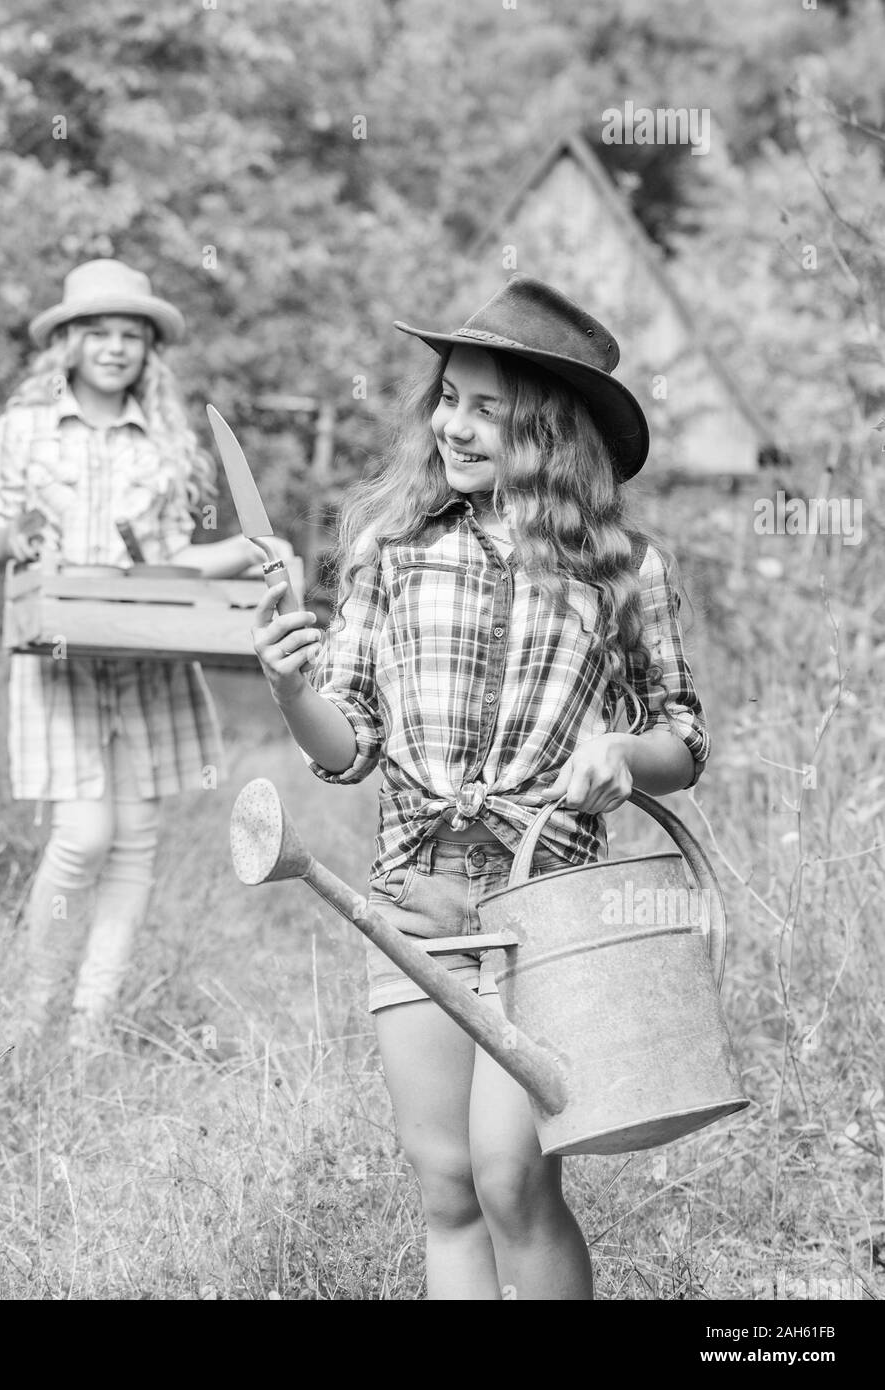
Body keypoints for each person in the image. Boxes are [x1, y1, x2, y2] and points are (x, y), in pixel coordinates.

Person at [250, 275, 710, 1300]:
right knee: (450, 1185)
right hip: (414, 896)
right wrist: (290, 688)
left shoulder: (626, 568)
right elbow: (350, 740)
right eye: (446, 398)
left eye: (484, 408)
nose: (452, 424)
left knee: (514, 1176)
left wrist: (620, 759)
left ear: (549, 430)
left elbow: (681, 736)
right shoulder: (392, 551)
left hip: (547, 903)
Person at [0, 258, 280, 1052]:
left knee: (135, 841)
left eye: (132, 336)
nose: (116, 348)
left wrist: (249, 551)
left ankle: (89, 1031)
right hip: (61, 651)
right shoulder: (25, 428)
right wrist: (25, 536)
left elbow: (169, 559)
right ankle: (26, 1013)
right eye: (100, 333)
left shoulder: (166, 442)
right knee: (82, 835)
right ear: (69, 342)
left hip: (146, 651)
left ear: (148, 350)